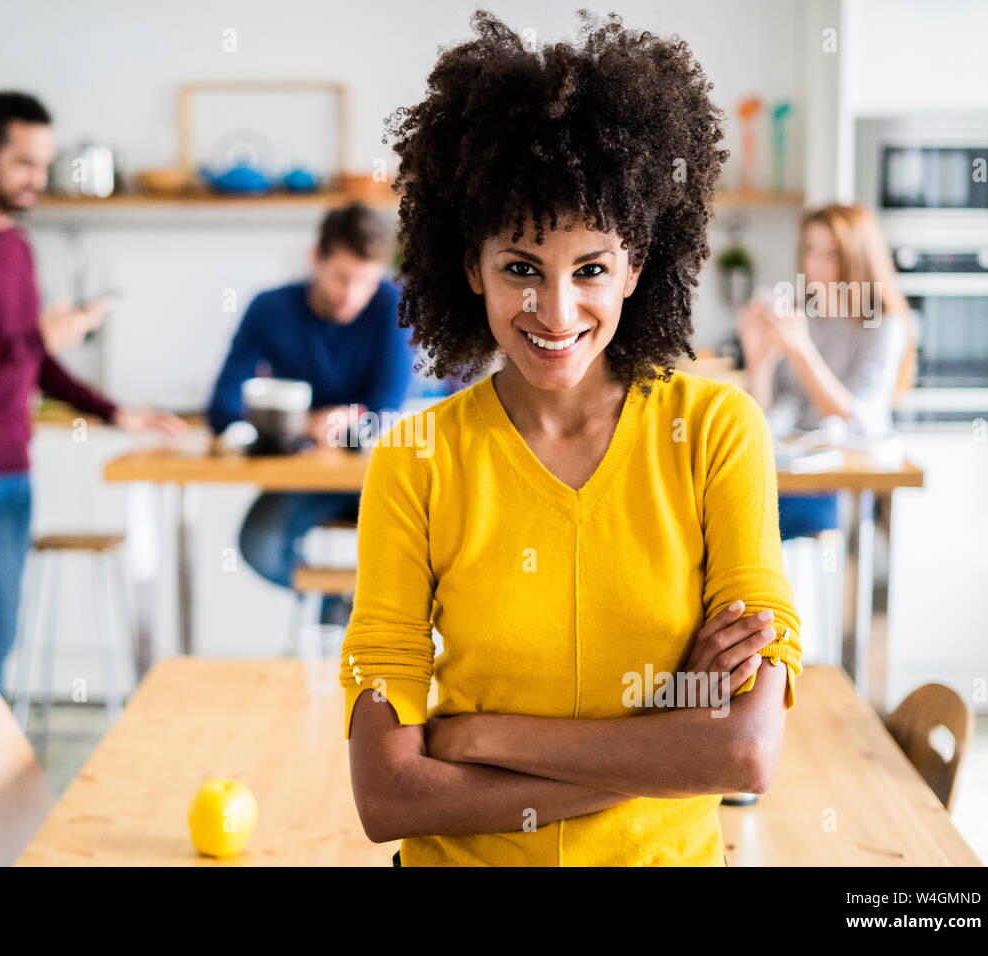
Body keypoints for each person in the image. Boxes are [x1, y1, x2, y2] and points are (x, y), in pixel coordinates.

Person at [340, 11, 801, 867]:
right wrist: (667, 739)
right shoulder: (416, 461)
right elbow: (387, 797)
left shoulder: (716, 434)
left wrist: (477, 735)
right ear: (469, 265)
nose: (555, 314)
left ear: (636, 267)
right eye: (521, 267)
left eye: (590, 269)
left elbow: (743, 753)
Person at [0, 91, 186, 691]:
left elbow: (35, 365)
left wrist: (115, 411)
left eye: (44, 163)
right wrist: (40, 338)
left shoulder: (16, 247)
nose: (39, 179)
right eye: (25, 163)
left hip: (10, 462)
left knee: (1, 628)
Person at [206, 203, 414, 627]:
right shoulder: (269, 309)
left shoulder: (394, 307)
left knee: (431, 554)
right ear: (315, 258)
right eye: (340, 278)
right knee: (259, 546)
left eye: (365, 283)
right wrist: (301, 425)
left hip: (379, 481)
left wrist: (347, 422)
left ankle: (382, 628)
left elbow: (388, 407)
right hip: (303, 479)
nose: (351, 295)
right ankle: (338, 612)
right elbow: (222, 407)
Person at [740, 203, 914, 540]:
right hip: (788, 474)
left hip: (839, 487)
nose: (814, 266)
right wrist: (757, 359)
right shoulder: (802, 313)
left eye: (830, 254)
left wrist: (801, 351)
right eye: (809, 250)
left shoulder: (883, 325)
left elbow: (857, 417)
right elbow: (760, 415)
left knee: (746, 527)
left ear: (857, 260)